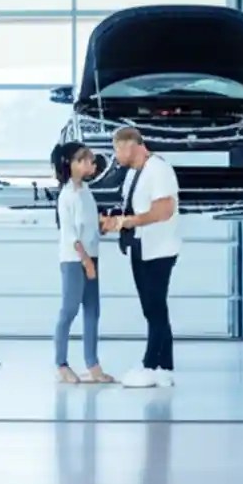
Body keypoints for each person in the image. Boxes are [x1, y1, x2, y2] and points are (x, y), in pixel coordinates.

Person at [102, 127, 182, 389]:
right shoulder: (134, 174)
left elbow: (164, 209)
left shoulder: (158, 169)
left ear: (130, 146)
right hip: (140, 247)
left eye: (117, 149)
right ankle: (164, 366)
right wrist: (115, 219)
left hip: (158, 249)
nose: (115, 155)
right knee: (154, 309)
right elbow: (132, 207)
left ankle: (150, 364)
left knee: (155, 308)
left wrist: (129, 221)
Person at [51, 141, 114, 385]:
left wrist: (102, 227)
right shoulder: (67, 196)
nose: (90, 162)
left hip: (91, 256)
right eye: (83, 159)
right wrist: (86, 261)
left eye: (89, 158)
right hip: (74, 259)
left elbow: (88, 226)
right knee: (69, 310)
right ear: (70, 165)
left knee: (92, 311)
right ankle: (61, 364)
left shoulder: (86, 191)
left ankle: (93, 364)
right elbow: (71, 235)